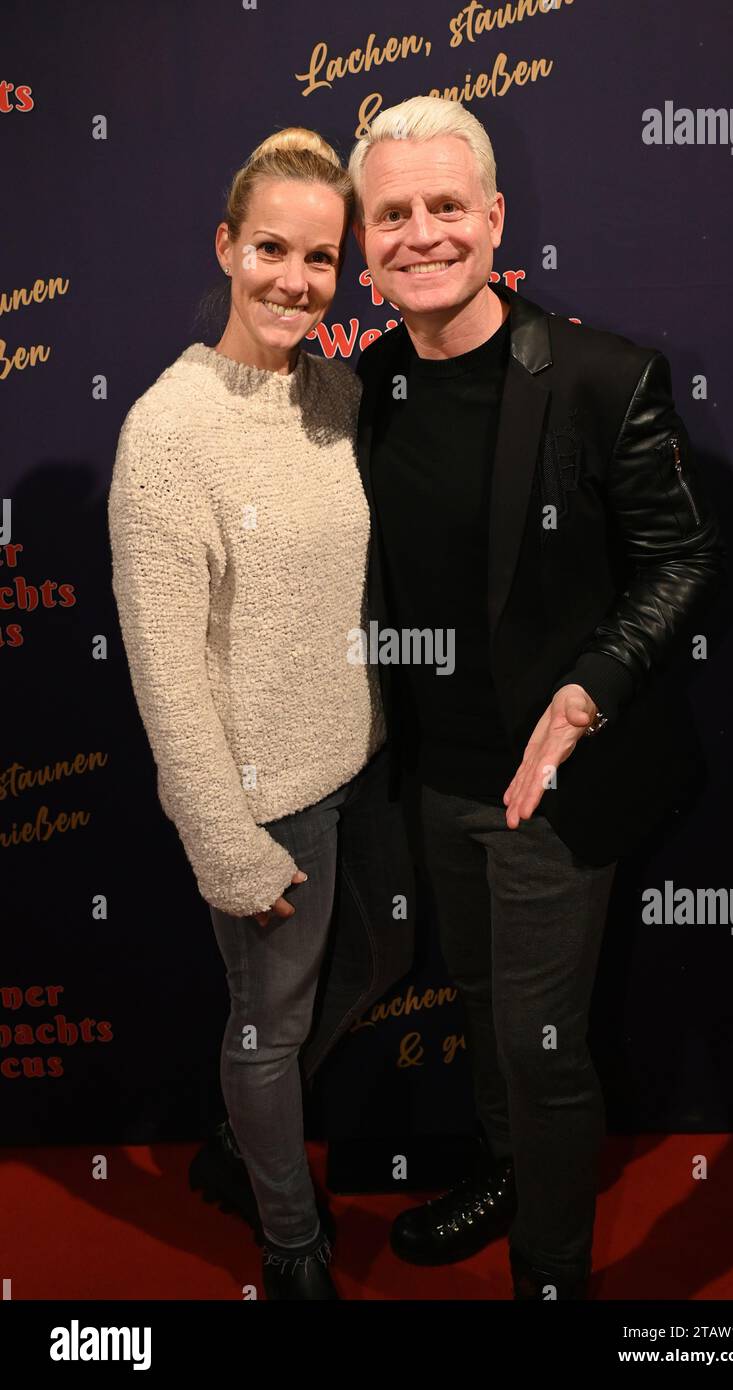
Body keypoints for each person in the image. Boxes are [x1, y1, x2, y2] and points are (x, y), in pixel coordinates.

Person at [347, 95, 726, 1300]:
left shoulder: (600, 378)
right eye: (391, 214)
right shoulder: (367, 386)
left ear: (494, 218)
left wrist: (584, 695)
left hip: (552, 784)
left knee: (538, 1042)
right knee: (472, 1004)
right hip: (431, 774)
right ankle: (511, 1173)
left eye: (445, 208)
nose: (421, 235)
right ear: (363, 242)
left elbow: (681, 558)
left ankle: (550, 1276)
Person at [107, 128, 414, 1301]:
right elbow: (165, 667)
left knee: (373, 958)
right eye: (271, 248)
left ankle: (242, 1139)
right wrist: (222, 837)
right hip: (262, 800)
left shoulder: (332, 393)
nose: (295, 277)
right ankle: (289, 1240)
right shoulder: (166, 434)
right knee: (268, 1027)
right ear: (226, 247)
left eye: (321, 257)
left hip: (358, 762)